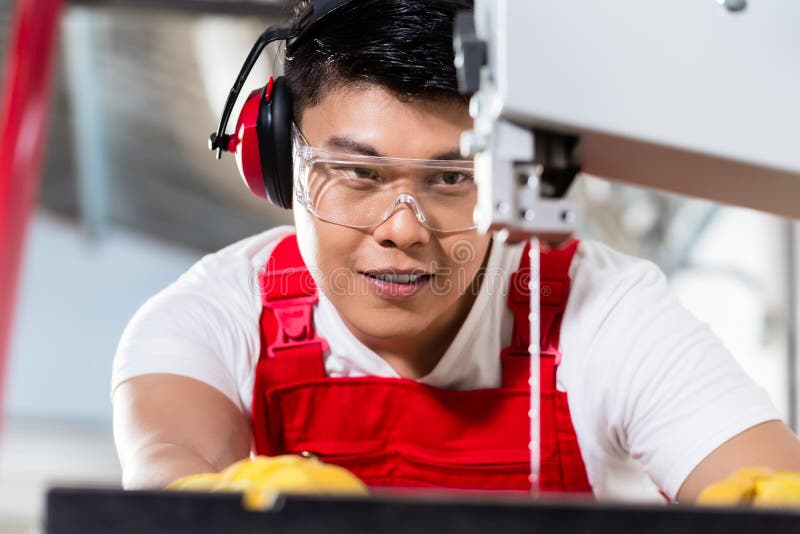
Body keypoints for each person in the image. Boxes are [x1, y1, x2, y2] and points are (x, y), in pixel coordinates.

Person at [111, 0, 800, 502]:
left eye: (451, 179)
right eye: (359, 174)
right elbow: (172, 477)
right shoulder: (209, 321)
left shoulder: (605, 311)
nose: (404, 230)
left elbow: (765, 490)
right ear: (276, 164)